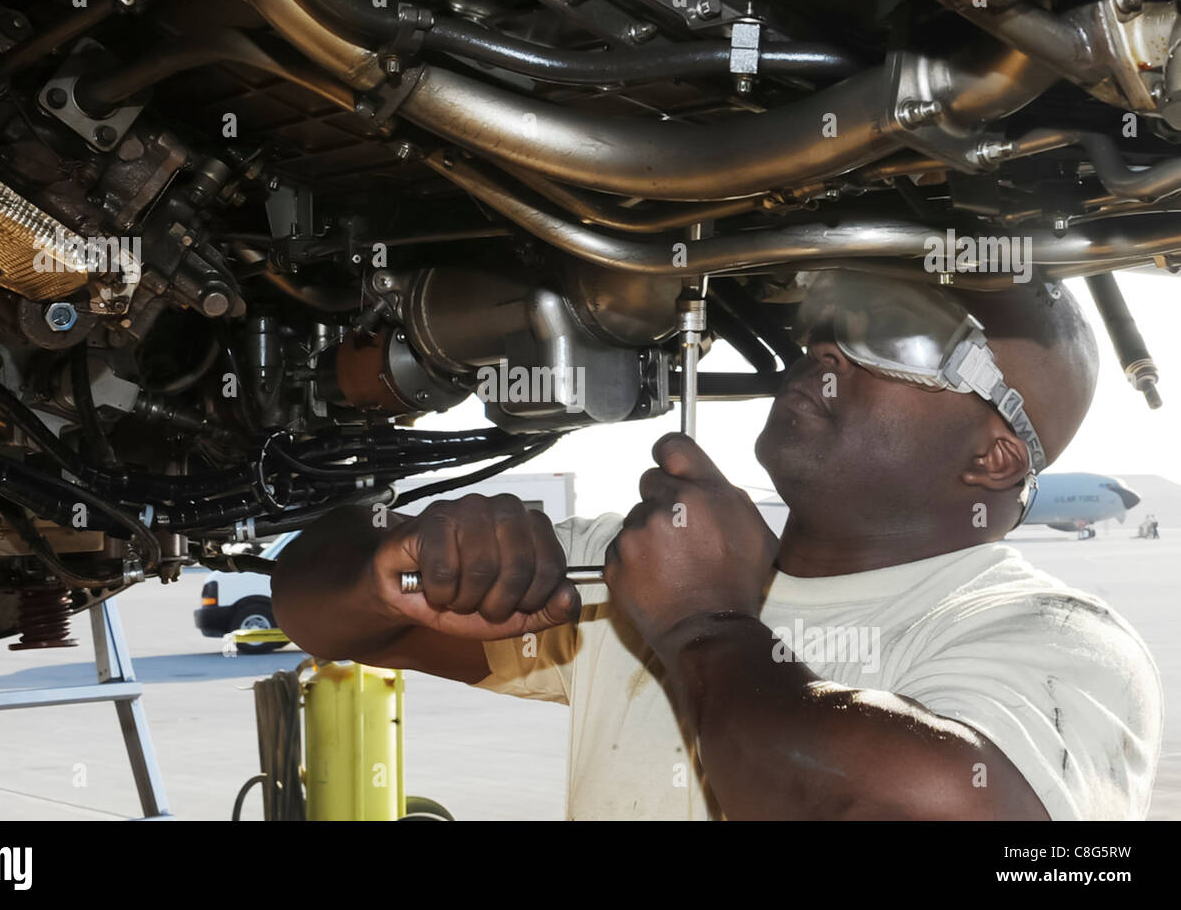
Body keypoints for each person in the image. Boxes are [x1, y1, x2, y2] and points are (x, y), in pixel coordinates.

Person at [272, 273, 1162, 820]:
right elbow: (330, 620)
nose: (825, 346)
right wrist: (392, 563)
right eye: (834, 315)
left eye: (896, 333)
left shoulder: (1060, 641)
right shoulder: (645, 558)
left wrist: (703, 629)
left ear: (995, 455)